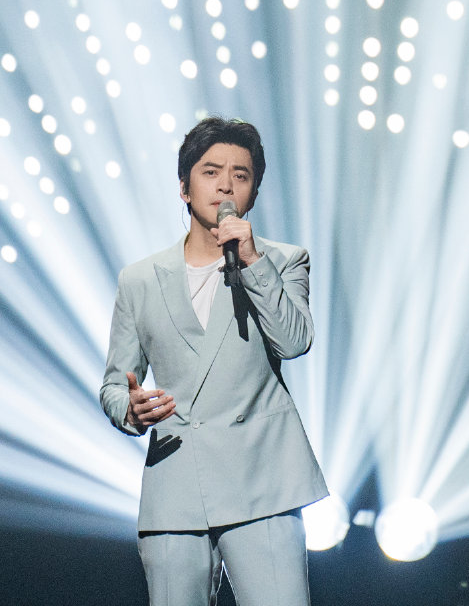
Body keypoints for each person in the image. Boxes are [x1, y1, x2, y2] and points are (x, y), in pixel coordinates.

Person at [100, 116, 327, 606]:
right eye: (210, 171)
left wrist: (251, 262)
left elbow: (294, 341)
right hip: (176, 481)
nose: (225, 184)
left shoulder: (283, 260)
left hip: (263, 478)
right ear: (184, 187)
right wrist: (131, 409)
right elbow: (115, 386)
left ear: (253, 193)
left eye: (241, 175)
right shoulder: (140, 279)